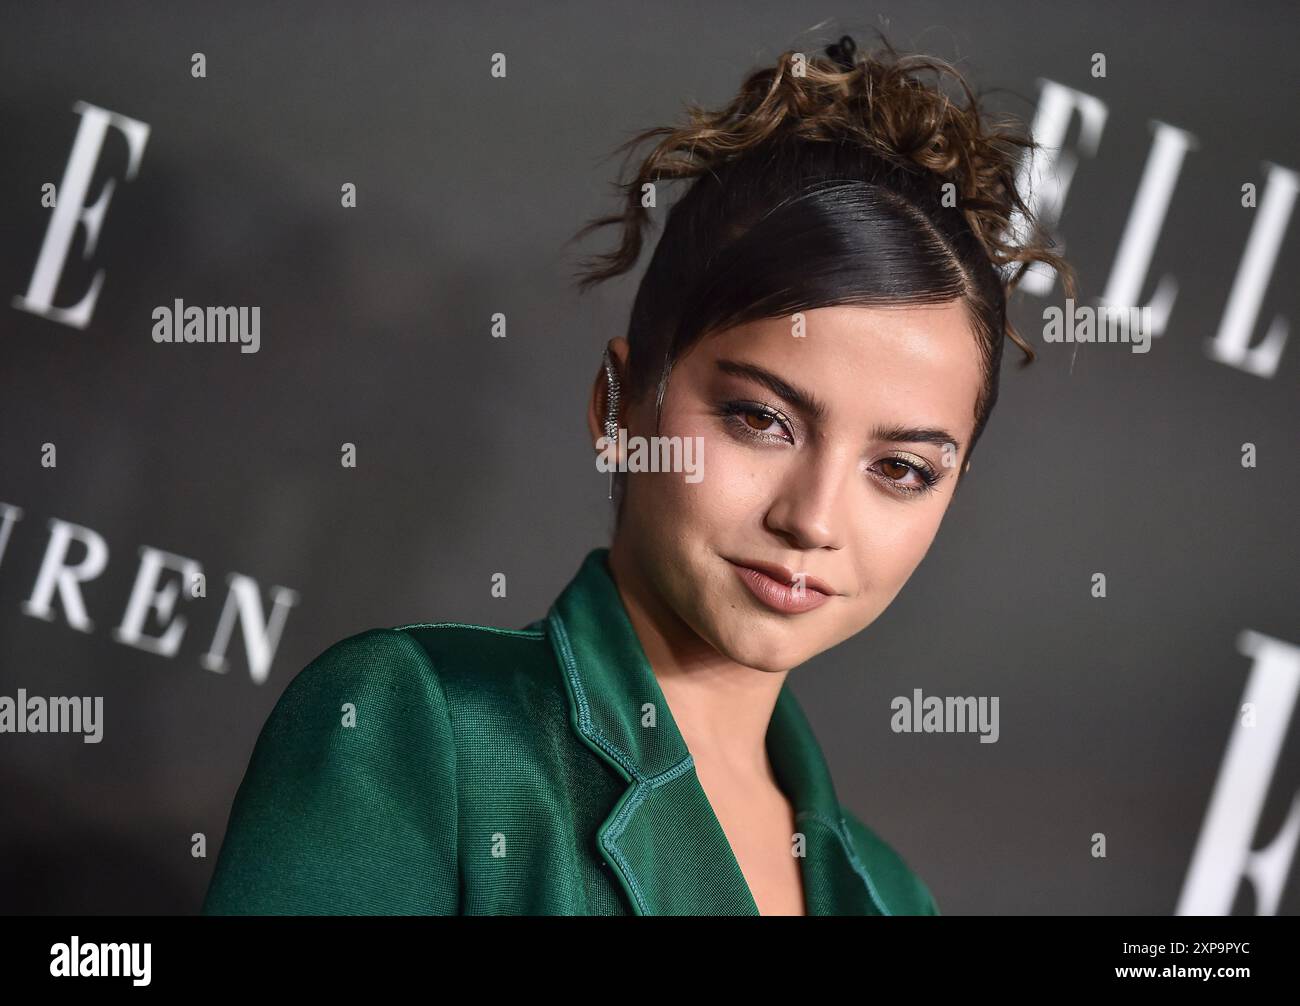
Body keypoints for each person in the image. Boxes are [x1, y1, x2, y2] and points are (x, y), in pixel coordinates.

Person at [201, 31, 1075, 916]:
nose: (813, 519)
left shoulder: (890, 898)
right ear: (618, 405)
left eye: (900, 468)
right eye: (761, 421)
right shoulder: (419, 730)